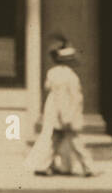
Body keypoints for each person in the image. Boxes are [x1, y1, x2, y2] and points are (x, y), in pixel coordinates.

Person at [27, 42, 94, 177]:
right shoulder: (71, 76)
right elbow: (76, 97)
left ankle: (45, 165)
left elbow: (48, 87)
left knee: (58, 141)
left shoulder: (52, 73)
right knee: (72, 141)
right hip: (65, 112)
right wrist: (69, 115)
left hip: (56, 111)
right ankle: (87, 167)